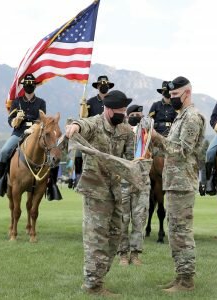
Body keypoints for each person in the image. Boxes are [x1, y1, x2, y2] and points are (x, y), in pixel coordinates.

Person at [65, 90, 134, 297]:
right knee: (96, 238)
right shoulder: (95, 124)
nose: (123, 114)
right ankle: (92, 285)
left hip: (116, 192)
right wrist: (75, 125)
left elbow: (131, 158)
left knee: (115, 235)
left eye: (125, 110)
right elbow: (82, 124)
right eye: (120, 111)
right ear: (108, 109)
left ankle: (98, 278)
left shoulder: (126, 130)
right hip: (95, 190)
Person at [151, 76, 205, 293]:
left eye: (174, 95)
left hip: (183, 183)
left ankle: (187, 281)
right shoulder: (180, 117)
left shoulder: (192, 118)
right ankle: (180, 277)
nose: (171, 98)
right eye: (170, 95)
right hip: (173, 182)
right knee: (174, 232)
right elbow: (170, 148)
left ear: (187, 93)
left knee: (182, 232)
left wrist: (156, 137)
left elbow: (182, 151)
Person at [0, 74, 60, 200]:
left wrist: (34, 127)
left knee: (52, 153)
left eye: (31, 84)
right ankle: (2, 182)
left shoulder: (40, 102)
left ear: (34, 86)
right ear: (24, 86)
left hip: (35, 134)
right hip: (19, 133)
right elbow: (10, 119)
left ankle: (52, 185)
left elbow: (42, 120)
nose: (29, 86)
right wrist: (16, 120)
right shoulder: (17, 102)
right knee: (4, 152)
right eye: (27, 84)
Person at [117, 104, 150, 266]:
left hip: (142, 182)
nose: (137, 116)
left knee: (139, 219)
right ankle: (123, 254)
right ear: (127, 116)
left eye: (140, 114)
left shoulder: (147, 134)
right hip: (123, 182)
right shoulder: (120, 133)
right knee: (122, 219)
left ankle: (135, 254)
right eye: (134, 114)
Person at [69, 75, 115, 189]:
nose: (103, 86)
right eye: (101, 85)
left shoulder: (114, 101)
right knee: (79, 153)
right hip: (93, 134)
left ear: (108, 86)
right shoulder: (90, 102)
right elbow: (83, 118)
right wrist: (83, 107)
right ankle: (78, 179)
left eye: (105, 85)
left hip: (111, 134)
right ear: (97, 86)